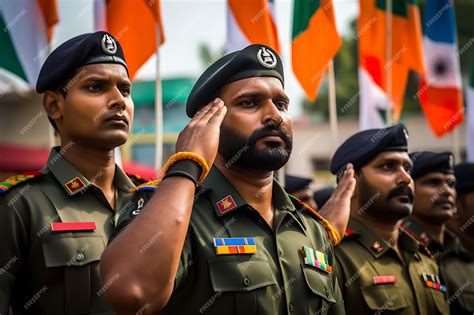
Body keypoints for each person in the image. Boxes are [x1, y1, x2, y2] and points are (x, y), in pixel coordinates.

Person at [100, 44, 356, 314]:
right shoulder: (175, 210)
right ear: (209, 121)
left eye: (281, 104)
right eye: (249, 103)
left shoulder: (310, 228)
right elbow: (131, 291)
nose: (274, 116)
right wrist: (187, 163)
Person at [0, 31, 135, 314]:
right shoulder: (20, 205)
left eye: (125, 90)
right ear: (54, 105)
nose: (118, 101)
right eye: (96, 87)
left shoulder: (151, 199)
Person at [331, 125, 449, 314]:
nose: (405, 179)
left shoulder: (424, 257)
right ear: (350, 180)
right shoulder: (335, 256)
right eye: (387, 167)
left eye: (407, 168)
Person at [405, 153, 474, 314]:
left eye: (451, 184)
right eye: (433, 182)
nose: (446, 191)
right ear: (407, 191)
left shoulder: (462, 257)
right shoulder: (398, 249)